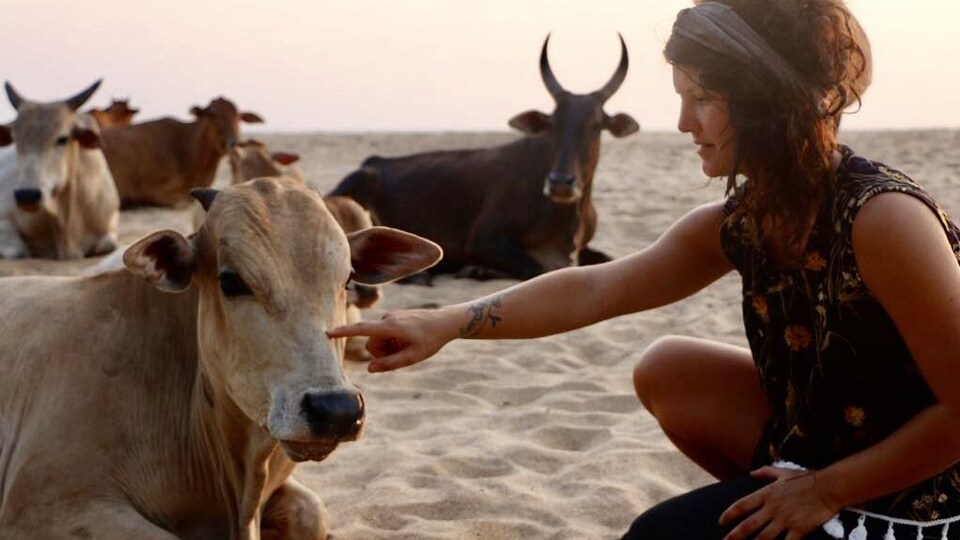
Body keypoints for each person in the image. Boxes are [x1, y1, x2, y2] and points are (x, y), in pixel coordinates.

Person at [328, 0, 960, 538]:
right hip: (828, 451)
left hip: (922, 498)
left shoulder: (882, 220)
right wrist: (445, 323)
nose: (684, 123)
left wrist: (823, 493)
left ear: (771, 102)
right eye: (682, 98)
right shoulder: (747, 217)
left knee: (655, 535)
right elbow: (597, 287)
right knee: (669, 369)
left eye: (704, 99)